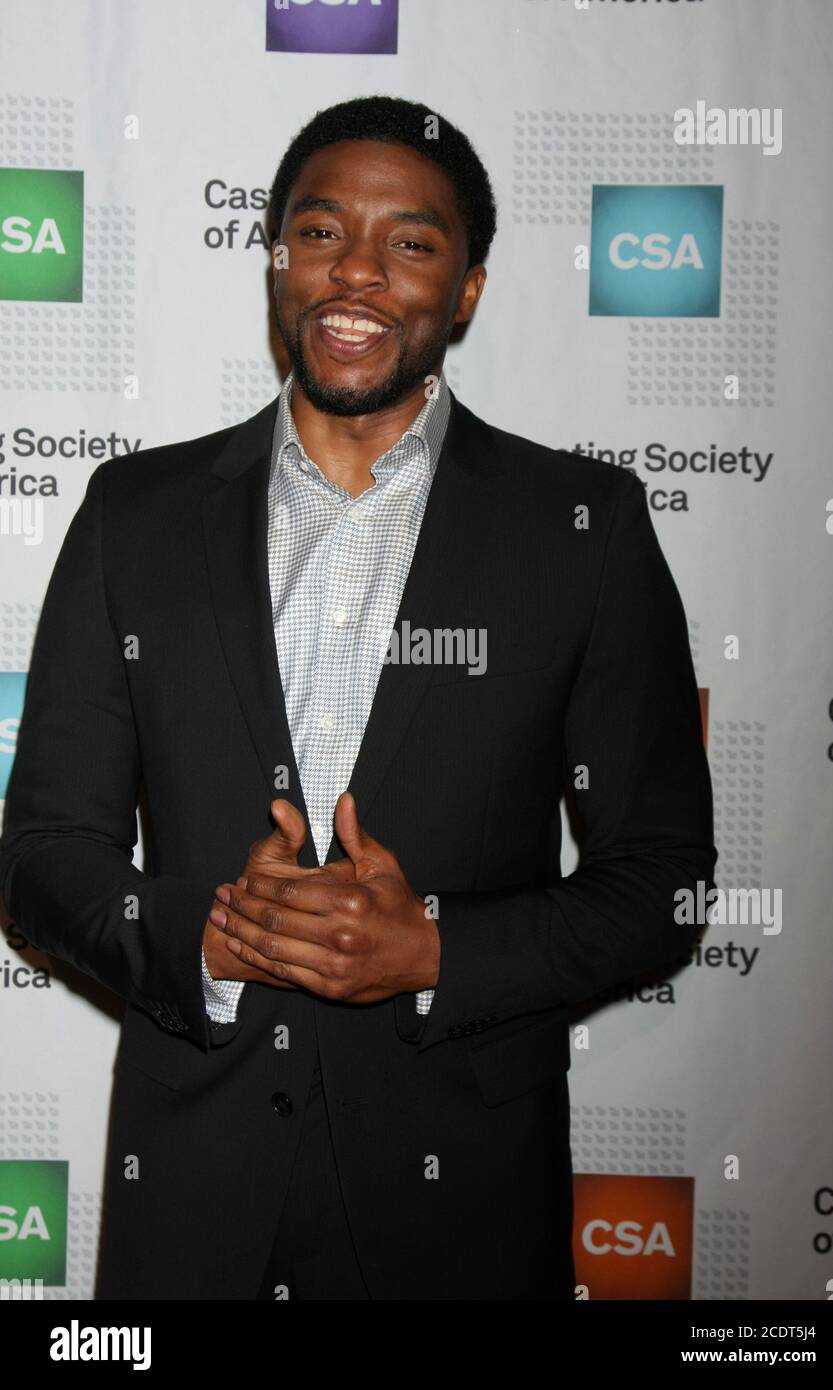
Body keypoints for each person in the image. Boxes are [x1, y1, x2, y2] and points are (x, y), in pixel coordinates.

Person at [0, 95, 716, 1301]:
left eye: (412, 243)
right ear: (277, 257)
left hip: (465, 1210)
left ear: (469, 288)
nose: (359, 274)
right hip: (192, 1193)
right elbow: (41, 856)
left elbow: (664, 882)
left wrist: (432, 946)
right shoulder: (135, 517)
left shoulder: (581, 530)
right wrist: (210, 936)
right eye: (322, 231)